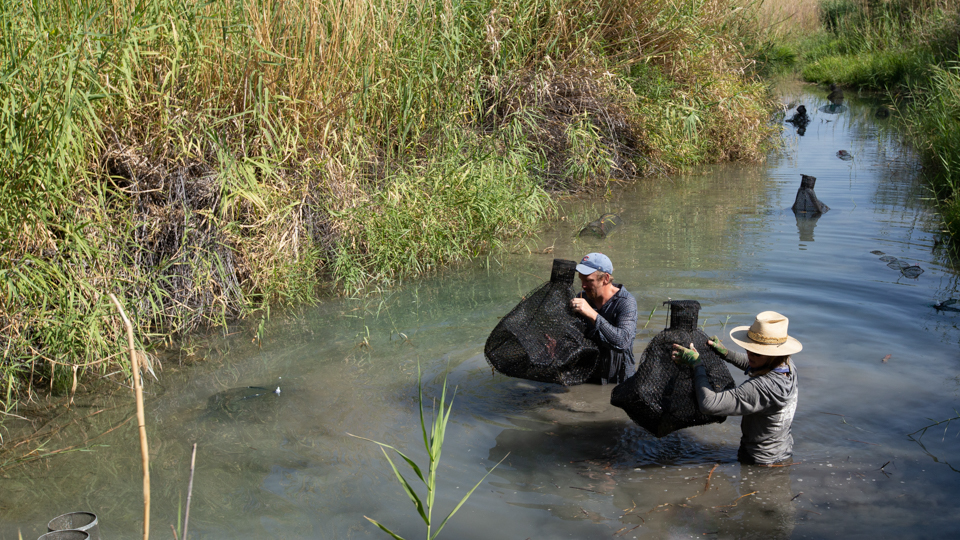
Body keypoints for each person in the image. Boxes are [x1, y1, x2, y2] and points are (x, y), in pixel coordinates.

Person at [671, 311, 800, 465]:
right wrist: (727, 354)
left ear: (773, 355)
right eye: (749, 348)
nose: (749, 354)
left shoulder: (761, 388)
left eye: (756, 353)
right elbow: (755, 364)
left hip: (759, 462)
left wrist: (696, 365)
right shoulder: (787, 366)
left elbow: (709, 404)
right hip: (783, 451)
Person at [569, 253, 638, 384]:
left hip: (618, 379)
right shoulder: (582, 298)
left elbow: (622, 342)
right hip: (588, 375)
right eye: (581, 280)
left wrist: (592, 314)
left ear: (605, 279)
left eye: (589, 281)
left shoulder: (626, 302)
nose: (583, 286)